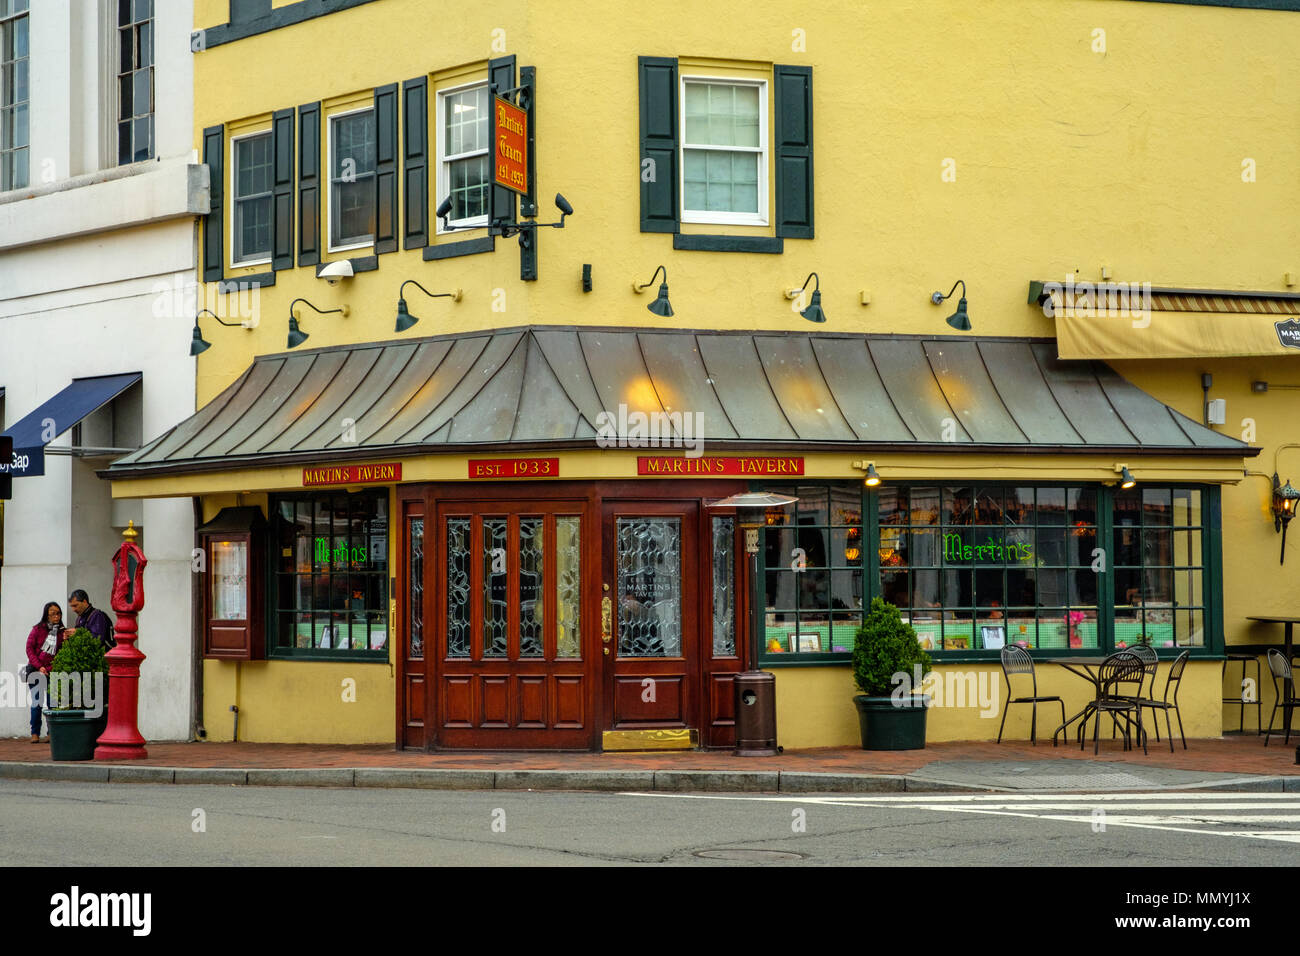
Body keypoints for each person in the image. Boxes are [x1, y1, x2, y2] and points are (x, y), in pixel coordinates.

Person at [25, 602, 67, 743]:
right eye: (53, 613)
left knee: (52, 703)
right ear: (46, 615)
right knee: (37, 702)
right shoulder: (37, 629)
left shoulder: (62, 632)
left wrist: (67, 641)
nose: (56, 616)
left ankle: (51, 732)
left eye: (58, 613)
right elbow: (29, 649)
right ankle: (35, 732)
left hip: (52, 671)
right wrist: (39, 667)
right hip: (36, 670)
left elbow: (62, 653)